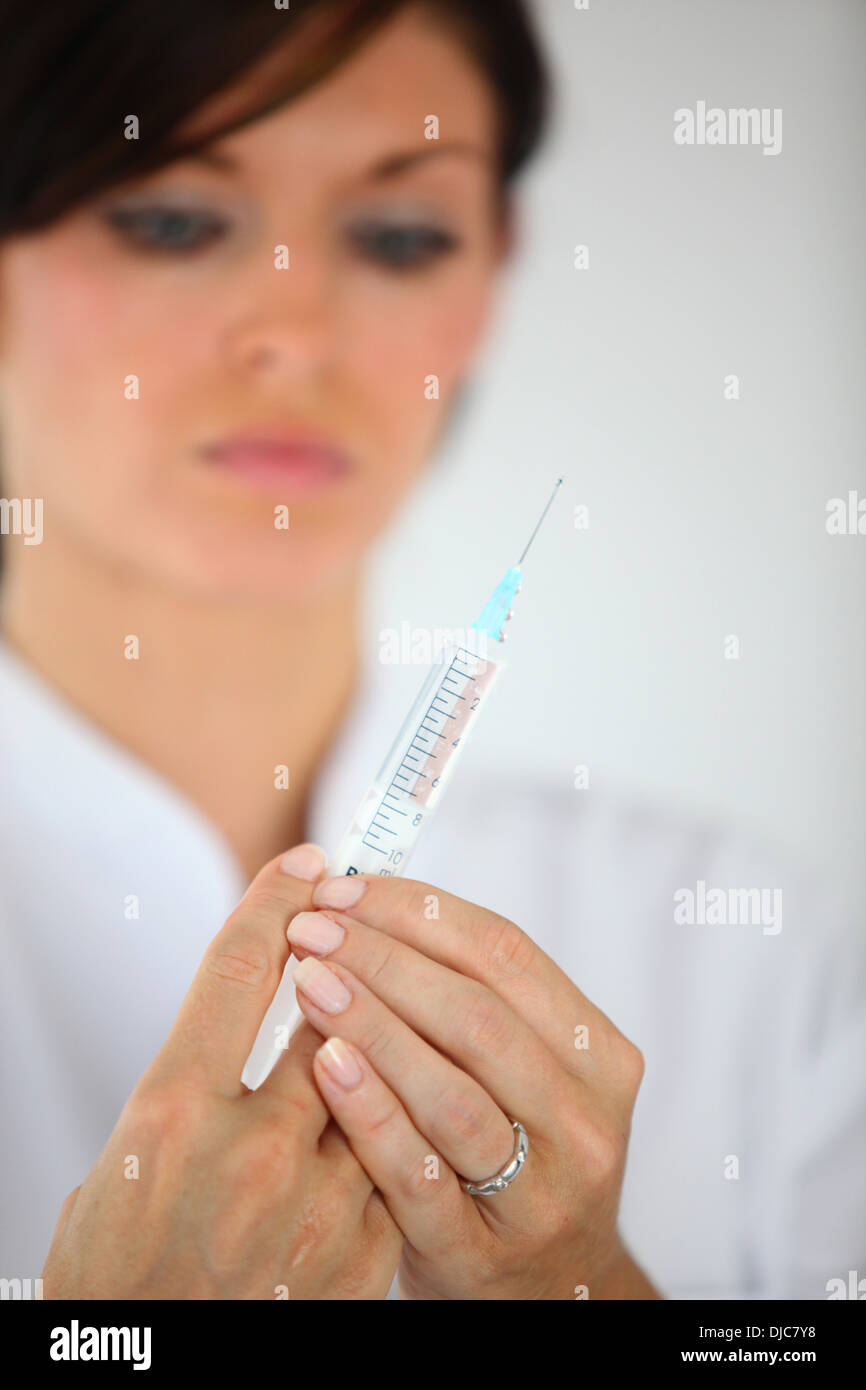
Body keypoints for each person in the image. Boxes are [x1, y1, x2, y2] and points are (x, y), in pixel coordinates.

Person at [0, 0, 863, 1300]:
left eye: (400, 235)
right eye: (171, 218)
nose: (295, 333)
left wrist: (581, 1286)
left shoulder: (743, 949)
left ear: (489, 276)